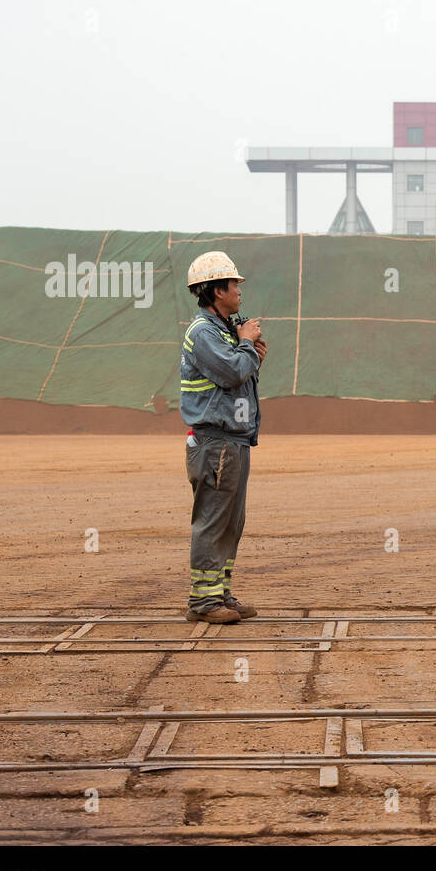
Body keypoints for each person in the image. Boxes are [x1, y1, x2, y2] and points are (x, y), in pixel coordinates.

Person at [179, 251, 267, 624]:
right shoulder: (203, 333)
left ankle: (219, 594)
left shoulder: (223, 331)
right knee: (214, 520)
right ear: (216, 290)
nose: (239, 292)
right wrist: (246, 344)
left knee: (232, 521)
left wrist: (252, 353)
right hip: (215, 443)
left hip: (233, 442)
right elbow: (232, 373)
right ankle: (203, 602)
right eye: (233, 285)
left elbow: (240, 374)